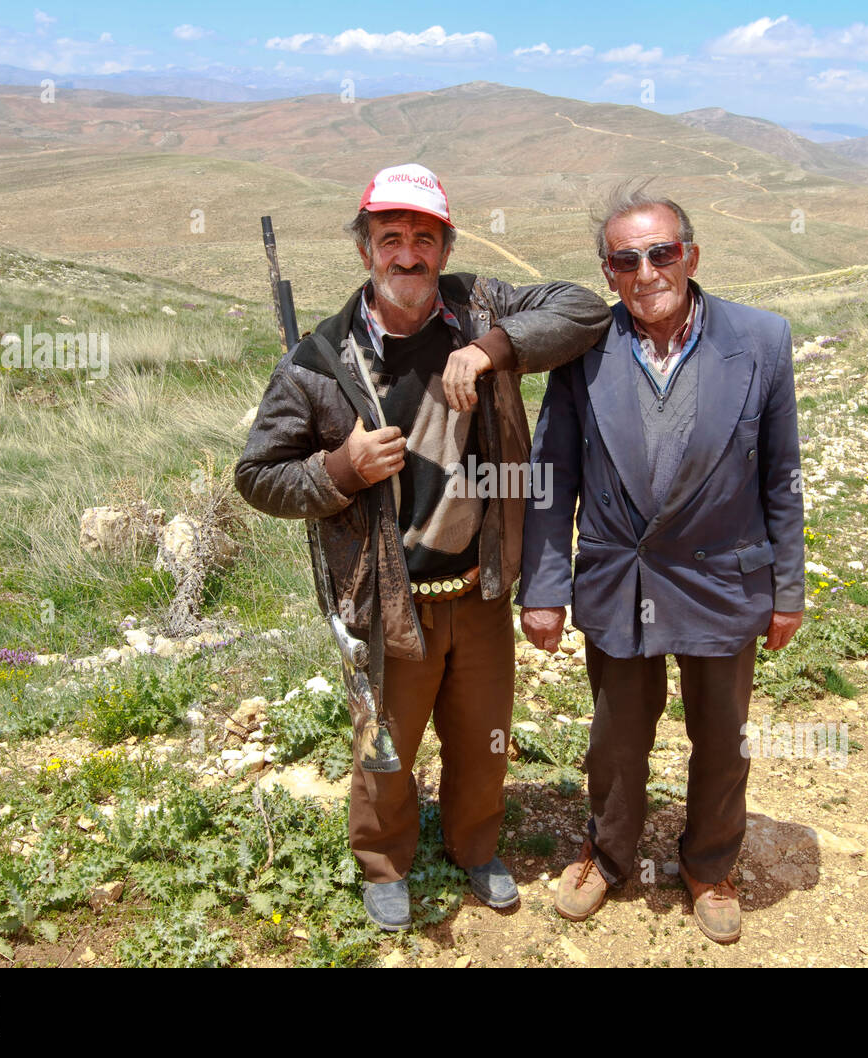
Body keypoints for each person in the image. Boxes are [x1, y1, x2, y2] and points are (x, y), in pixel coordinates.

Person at [235, 163, 610, 931]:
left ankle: (476, 846)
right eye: (391, 237)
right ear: (366, 248)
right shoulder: (316, 362)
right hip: (384, 599)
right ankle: (384, 860)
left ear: (444, 246)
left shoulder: (477, 308)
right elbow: (257, 475)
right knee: (384, 747)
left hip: (478, 587)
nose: (408, 254)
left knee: (484, 737)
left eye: (424, 238)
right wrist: (339, 470)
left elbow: (585, 310)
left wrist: (493, 350)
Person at [517, 186, 805, 944]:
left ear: (691, 256)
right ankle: (607, 855)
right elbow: (552, 483)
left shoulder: (763, 341)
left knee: (721, 734)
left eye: (661, 253)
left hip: (722, 577)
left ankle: (710, 864)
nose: (646, 272)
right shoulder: (581, 356)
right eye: (625, 259)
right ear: (608, 273)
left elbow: (782, 477)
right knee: (615, 736)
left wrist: (788, 589)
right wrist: (543, 588)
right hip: (622, 580)